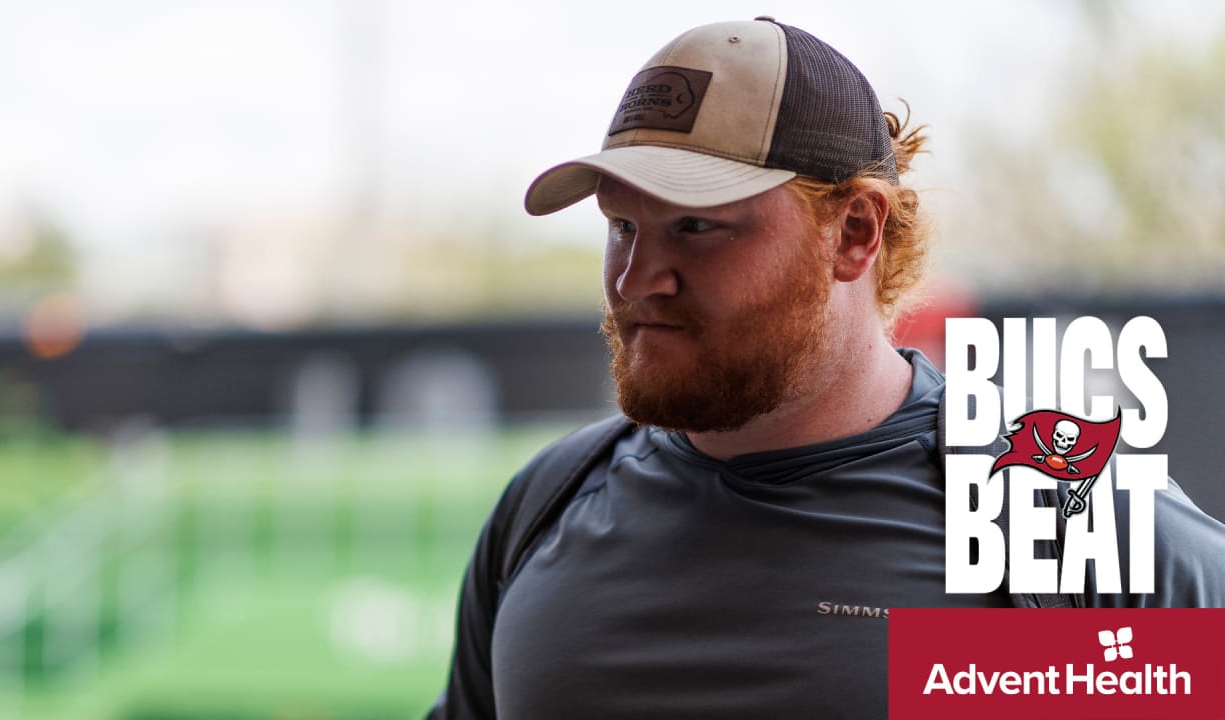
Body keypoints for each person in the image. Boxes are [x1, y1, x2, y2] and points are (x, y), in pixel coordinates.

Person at [428, 17, 1225, 719]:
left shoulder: (1063, 522)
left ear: (854, 232)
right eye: (623, 226)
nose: (639, 280)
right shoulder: (547, 504)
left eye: (698, 226)